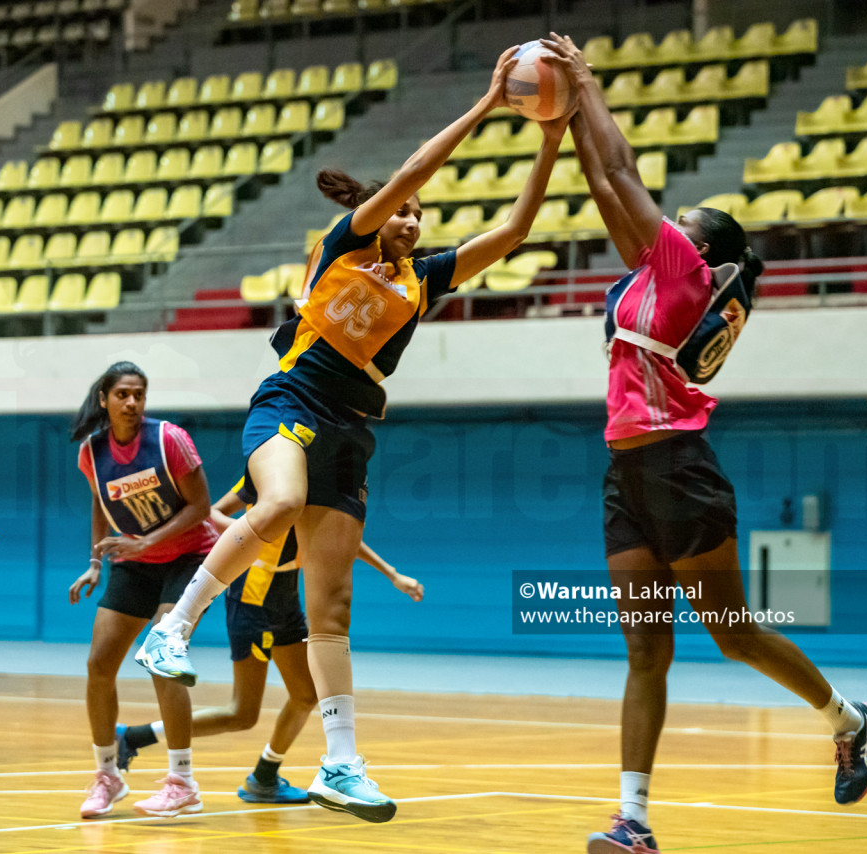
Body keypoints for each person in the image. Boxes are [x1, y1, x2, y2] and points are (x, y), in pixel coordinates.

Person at [133, 46, 571, 823]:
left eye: (418, 216)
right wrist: (489, 104)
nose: (409, 217)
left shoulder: (420, 278)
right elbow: (410, 174)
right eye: (401, 210)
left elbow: (516, 229)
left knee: (331, 608)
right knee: (276, 504)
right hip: (291, 398)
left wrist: (550, 132)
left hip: (353, 430)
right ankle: (173, 628)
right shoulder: (344, 244)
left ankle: (340, 765)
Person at [536, 34, 867, 854]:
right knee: (645, 647)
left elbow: (620, 174)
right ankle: (635, 822)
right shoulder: (652, 277)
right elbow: (603, 182)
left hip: (679, 470)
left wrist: (586, 85)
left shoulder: (687, 279)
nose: (669, 225)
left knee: (732, 632)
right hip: (626, 474)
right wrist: (562, 120)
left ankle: (849, 719)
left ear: (708, 257)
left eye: (684, 225)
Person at [118, 479, 424, 804]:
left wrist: (392, 574)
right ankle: (133, 737)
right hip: (252, 595)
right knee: (242, 713)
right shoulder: (273, 470)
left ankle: (264, 777)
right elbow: (213, 512)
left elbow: (339, 539)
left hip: (286, 595)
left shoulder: (318, 481)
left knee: (305, 695)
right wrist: (253, 532)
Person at [67, 361, 220, 819]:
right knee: (98, 664)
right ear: (105, 400)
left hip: (190, 558)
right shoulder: (93, 453)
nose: (132, 403)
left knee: (161, 659)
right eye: (122, 395)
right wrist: (96, 562)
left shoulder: (169, 439)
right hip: (136, 562)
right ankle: (107, 776)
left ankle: (182, 781)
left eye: (139, 395)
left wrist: (147, 541)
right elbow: (100, 503)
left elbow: (202, 507)